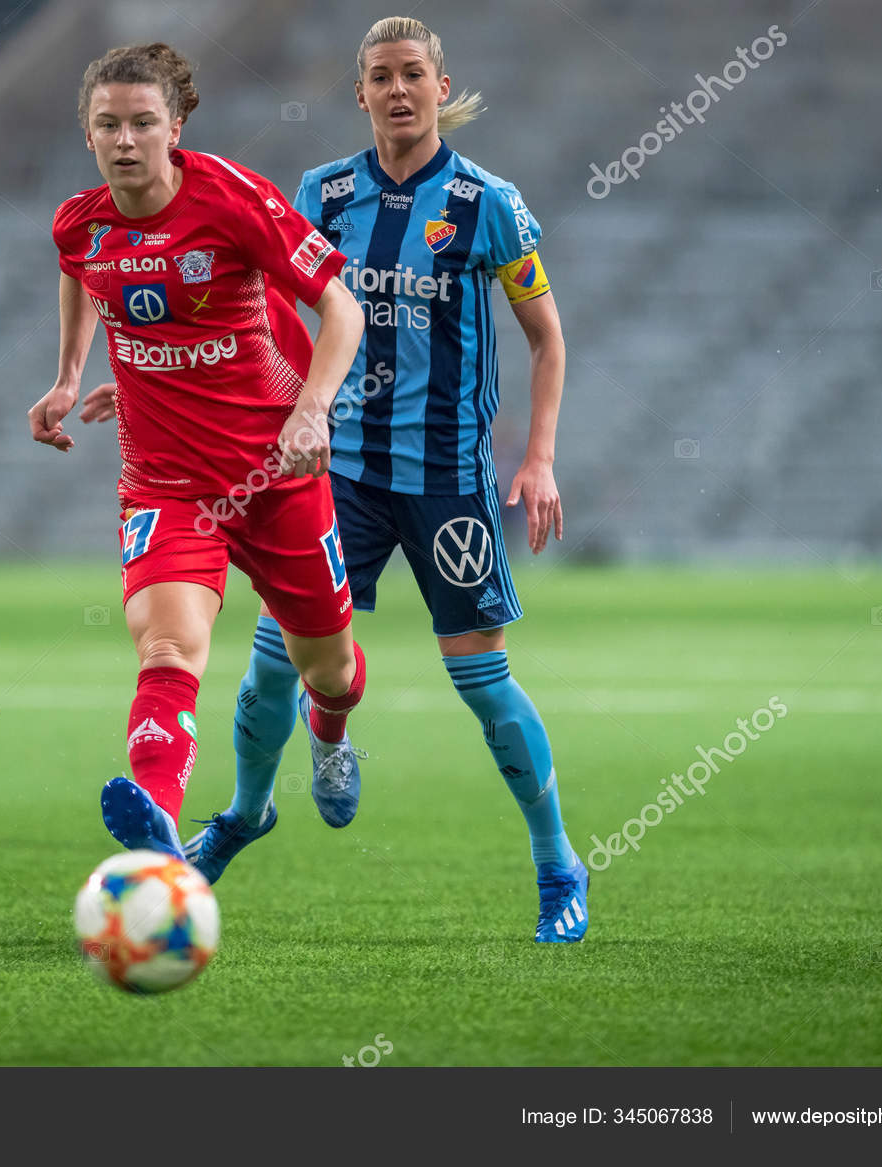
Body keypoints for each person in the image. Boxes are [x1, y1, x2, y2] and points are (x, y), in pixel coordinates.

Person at [86, 18, 590, 942]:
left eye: (413, 75)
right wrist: (165, 375)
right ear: (359, 94)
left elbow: (546, 335)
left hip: (446, 476)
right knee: (275, 669)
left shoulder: (489, 203)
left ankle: (558, 861)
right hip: (333, 465)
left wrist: (541, 455)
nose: (398, 91)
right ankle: (243, 814)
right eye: (379, 78)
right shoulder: (324, 192)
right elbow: (263, 302)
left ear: (442, 86)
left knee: (483, 682)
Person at [28, 43, 370, 860]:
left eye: (143, 123)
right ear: (87, 133)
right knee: (168, 647)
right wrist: (72, 374)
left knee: (329, 667)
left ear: (174, 126)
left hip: (276, 472)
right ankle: (158, 831)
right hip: (166, 483)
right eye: (107, 125)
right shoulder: (80, 222)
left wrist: (312, 412)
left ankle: (329, 735)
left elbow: (342, 309)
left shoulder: (232, 199)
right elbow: (81, 272)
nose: (124, 140)